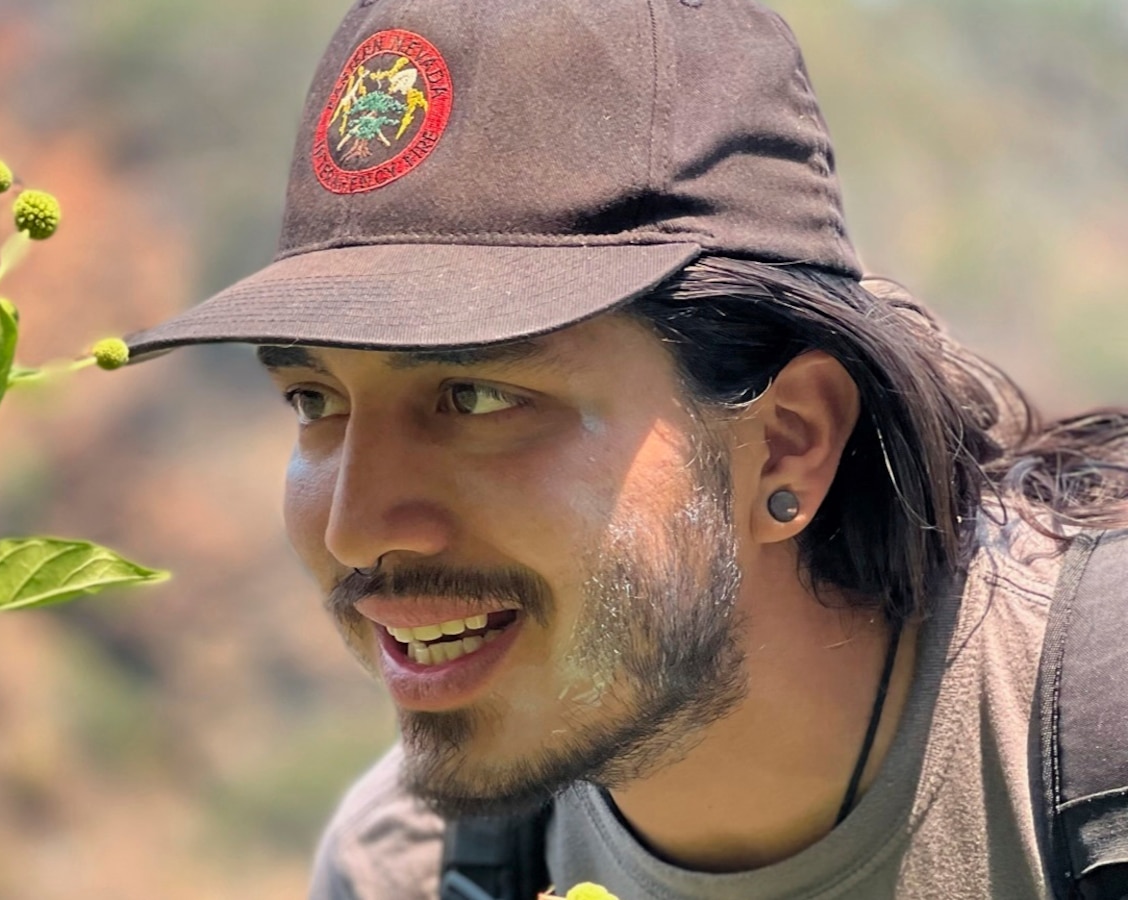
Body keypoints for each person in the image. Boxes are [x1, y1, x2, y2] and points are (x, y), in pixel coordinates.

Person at [122, 0, 1128, 897]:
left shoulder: (1094, 754)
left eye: (476, 396)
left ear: (788, 444)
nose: (355, 529)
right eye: (314, 400)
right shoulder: (408, 872)